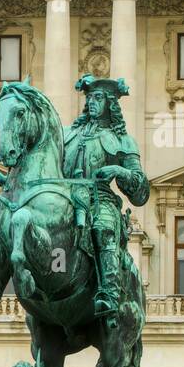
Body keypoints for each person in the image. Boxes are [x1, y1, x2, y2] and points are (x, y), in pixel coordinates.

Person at [61, 75, 150, 319]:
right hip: (65, 197)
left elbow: (141, 191)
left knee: (103, 228)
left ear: (110, 103)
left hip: (100, 199)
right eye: (89, 97)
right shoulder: (67, 135)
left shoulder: (122, 140)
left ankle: (109, 293)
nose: (91, 102)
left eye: (98, 98)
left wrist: (119, 170)